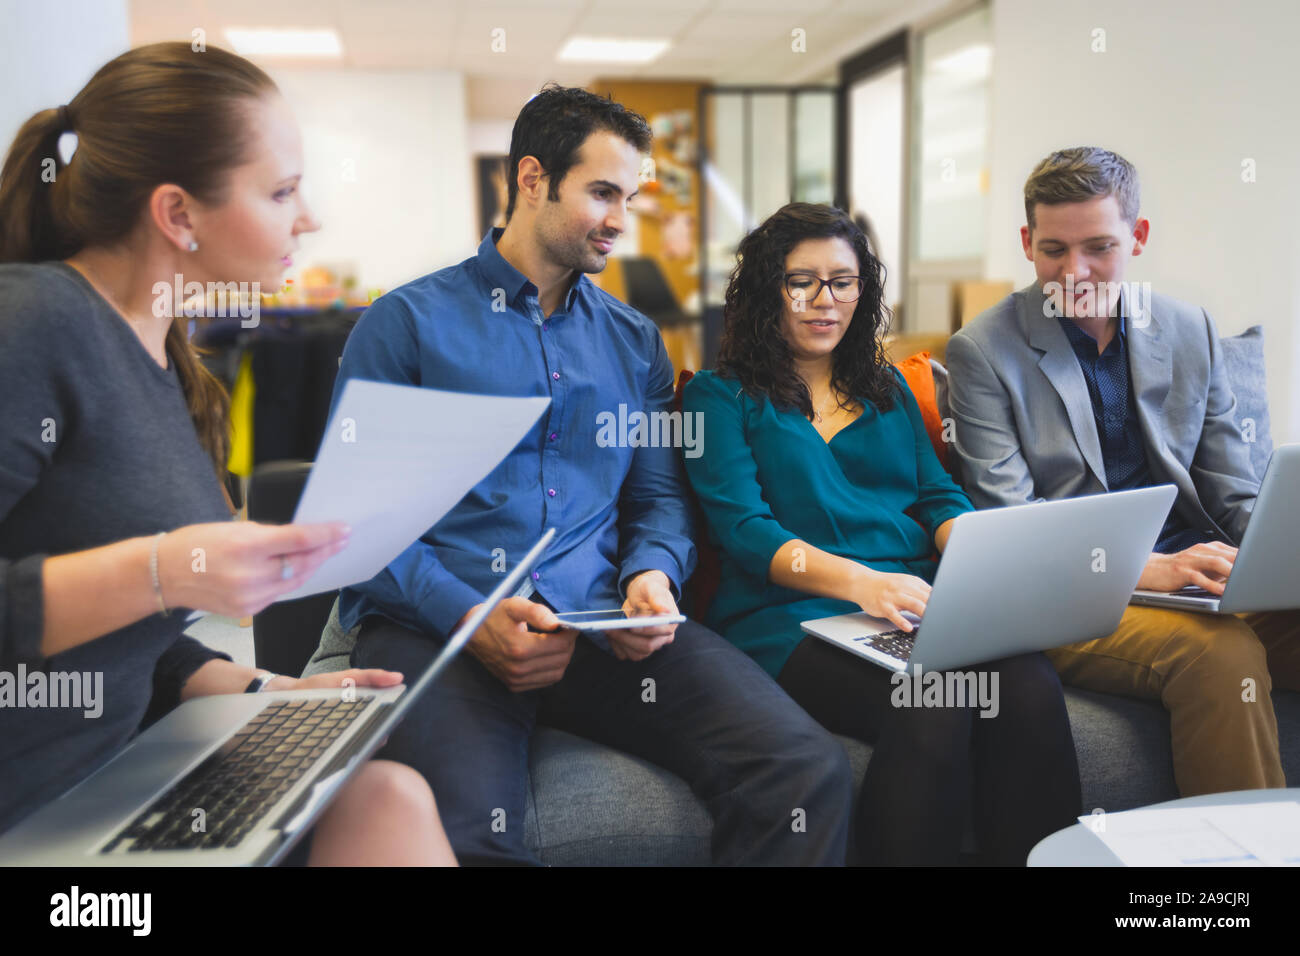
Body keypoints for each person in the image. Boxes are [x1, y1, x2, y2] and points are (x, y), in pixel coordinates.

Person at [327, 85, 853, 866]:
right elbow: (363, 524)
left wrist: (653, 575)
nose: (619, 220)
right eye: (603, 192)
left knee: (803, 771)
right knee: (468, 837)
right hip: (439, 625)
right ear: (532, 179)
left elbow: (657, 497)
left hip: (599, 622)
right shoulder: (405, 325)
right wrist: (474, 618)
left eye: (629, 198)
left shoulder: (636, 342)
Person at [0, 42, 454, 865]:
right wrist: (165, 567)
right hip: (32, 814)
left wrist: (269, 693)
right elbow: (138, 584)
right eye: (282, 191)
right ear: (178, 214)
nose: (307, 218)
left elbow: (133, 640)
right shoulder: (33, 326)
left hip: (116, 779)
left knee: (387, 795)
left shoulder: (168, 359)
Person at [682, 202, 1082, 865]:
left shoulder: (888, 386)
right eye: (799, 281)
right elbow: (747, 531)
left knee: (1030, 682)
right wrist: (864, 583)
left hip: (914, 603)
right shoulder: (720, 398)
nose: (823, 300)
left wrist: (973, 549)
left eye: (842, 281)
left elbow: (935, 495)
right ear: (765, 291)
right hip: (791, 618)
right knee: (932, 701)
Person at [945, 146, 1300, 797]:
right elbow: (1010, 530)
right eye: (1053, 249)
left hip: (1194, 581)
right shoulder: (983, 351)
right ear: (1026, 242)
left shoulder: (1188, 328)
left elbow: (1232, 495)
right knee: (1221, 654)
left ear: (1137, 237)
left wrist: (1279, 552)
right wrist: (1144, 570)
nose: (1074, 271)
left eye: (1098, 248)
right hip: (1070, 598)